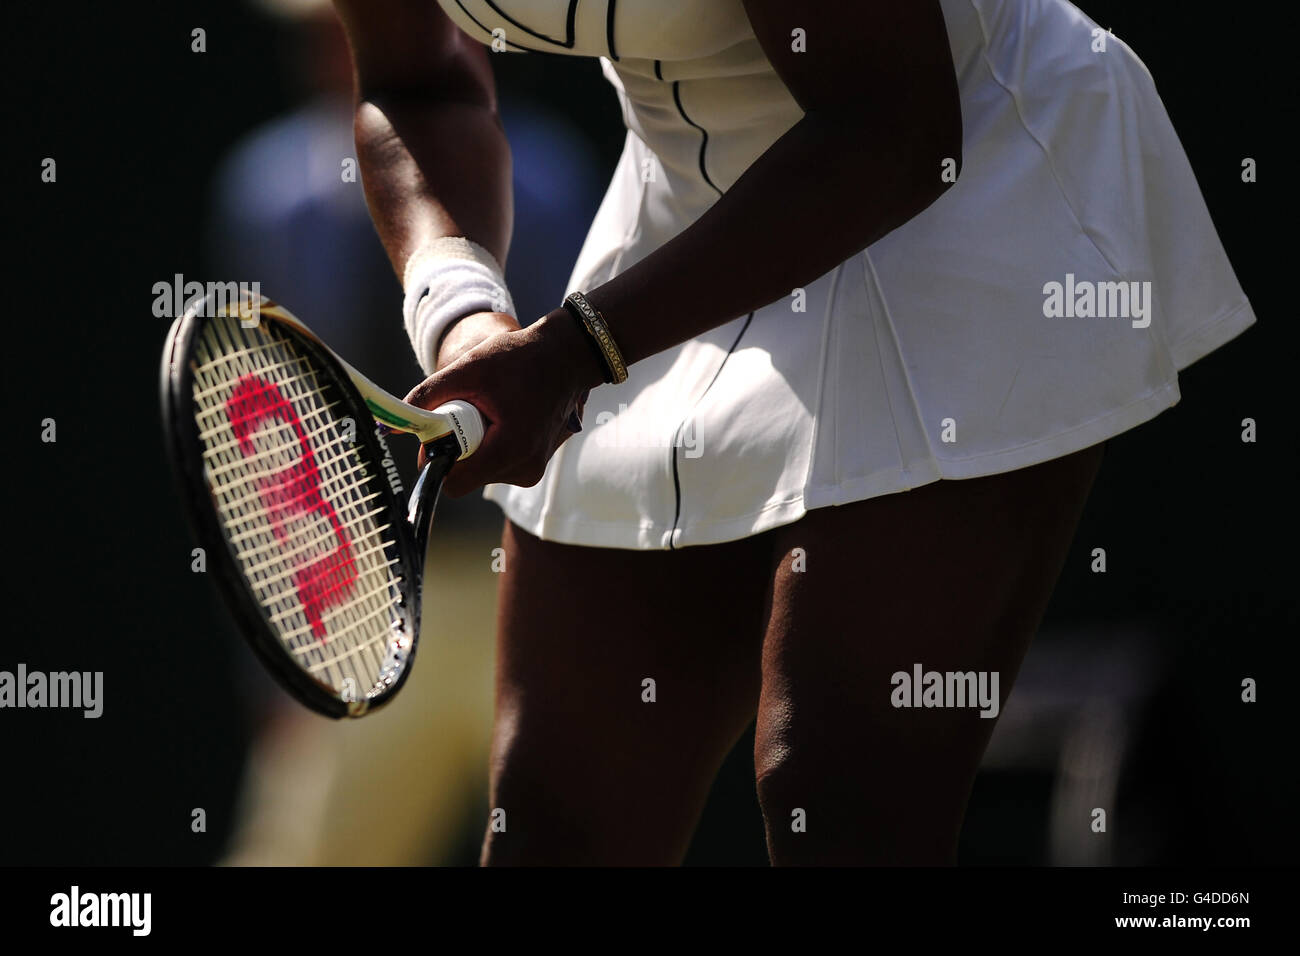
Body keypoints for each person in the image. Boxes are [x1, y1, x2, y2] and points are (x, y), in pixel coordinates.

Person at [330, 0, 1255, 865]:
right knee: (554, 819)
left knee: (834, 787)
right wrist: (461, 309)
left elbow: (894, 126)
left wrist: (578, 352)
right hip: (676, 209)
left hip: (959, 161)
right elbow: (419, 80)